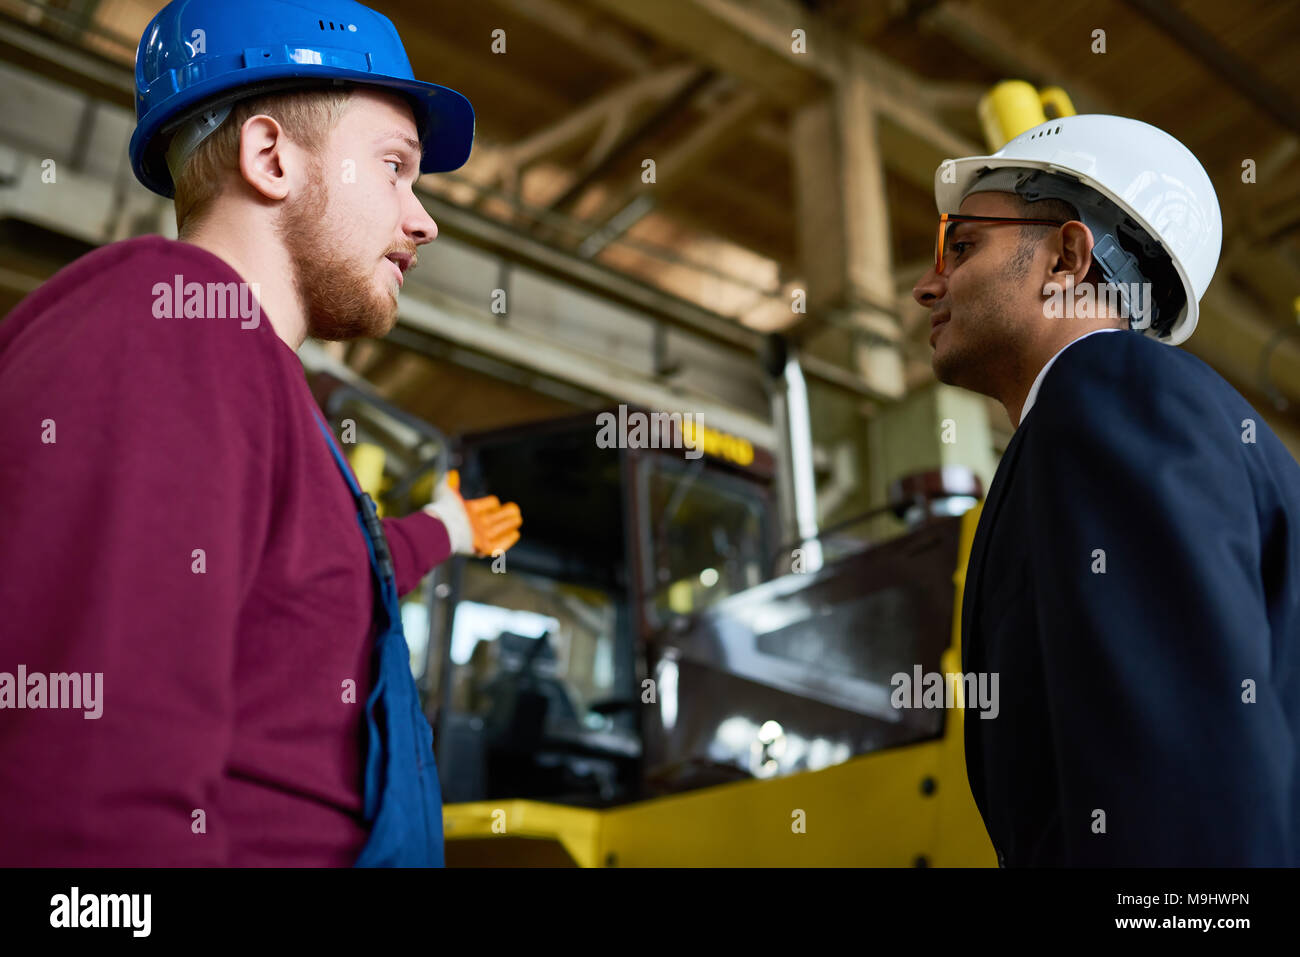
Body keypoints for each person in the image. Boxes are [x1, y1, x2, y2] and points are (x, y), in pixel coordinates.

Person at [0, 0, 519, 866]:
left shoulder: (261, 386)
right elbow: (89, 801)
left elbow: (328, 572)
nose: (422, 218)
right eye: (395, 166)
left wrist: (446, 531)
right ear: (271, 157)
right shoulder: (173, 326)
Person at [912, 113, 1300, 866]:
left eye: (961, 246)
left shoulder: (1106, 393)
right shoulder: (1127, 413)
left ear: (1065, 257)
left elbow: (1184, 773)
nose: (930, 285)